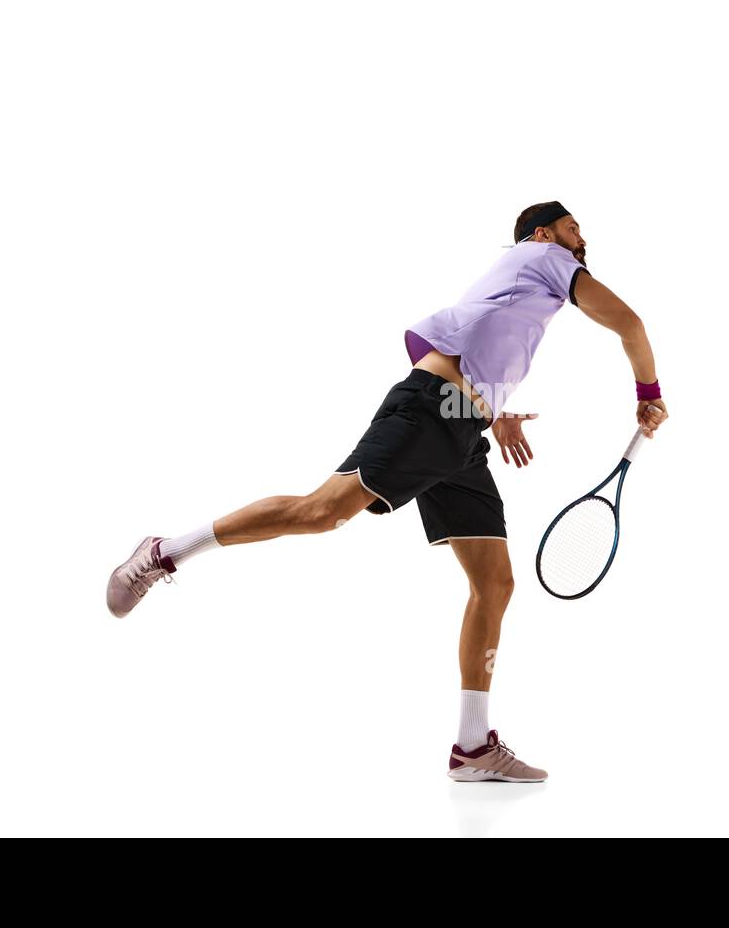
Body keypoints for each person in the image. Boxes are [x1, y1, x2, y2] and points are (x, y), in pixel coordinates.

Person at [105, 201, 669, 782]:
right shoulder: (546, 257)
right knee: (321, 512)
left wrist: (492, 413)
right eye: (574, 228)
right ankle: (164, 551)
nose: (583, 239)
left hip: (459, 428)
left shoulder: (525, 283)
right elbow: (630, 324)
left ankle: (472, 747)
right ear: (543, 232)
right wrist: (648, 391)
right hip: (428, 414)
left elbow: (475, 345)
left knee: (495, 581)